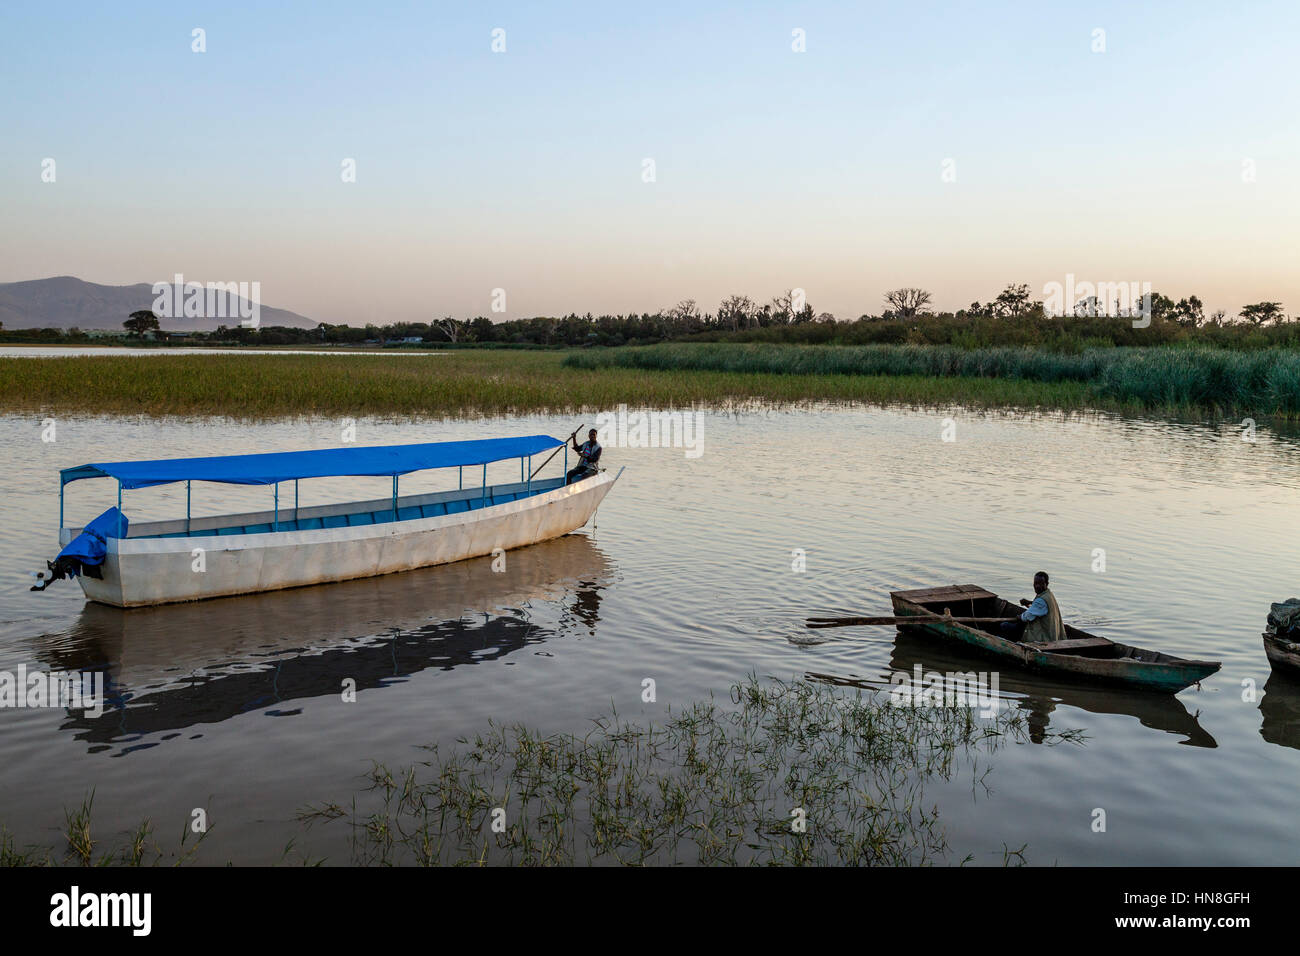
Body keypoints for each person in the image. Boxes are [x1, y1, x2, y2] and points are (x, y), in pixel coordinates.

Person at [1000, 571, 1066, 643]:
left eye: (1040, 584)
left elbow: (1026, 617)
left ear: (1047, 584)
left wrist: (1019, 617)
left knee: (1004, 625)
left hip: (1043, 639)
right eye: (1035, 583)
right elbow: (1041, 607)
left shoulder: (1041, 601)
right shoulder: (1048, 594)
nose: (1037, 586)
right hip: (1052, 635)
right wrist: (1029, 602)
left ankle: (1009, 644)